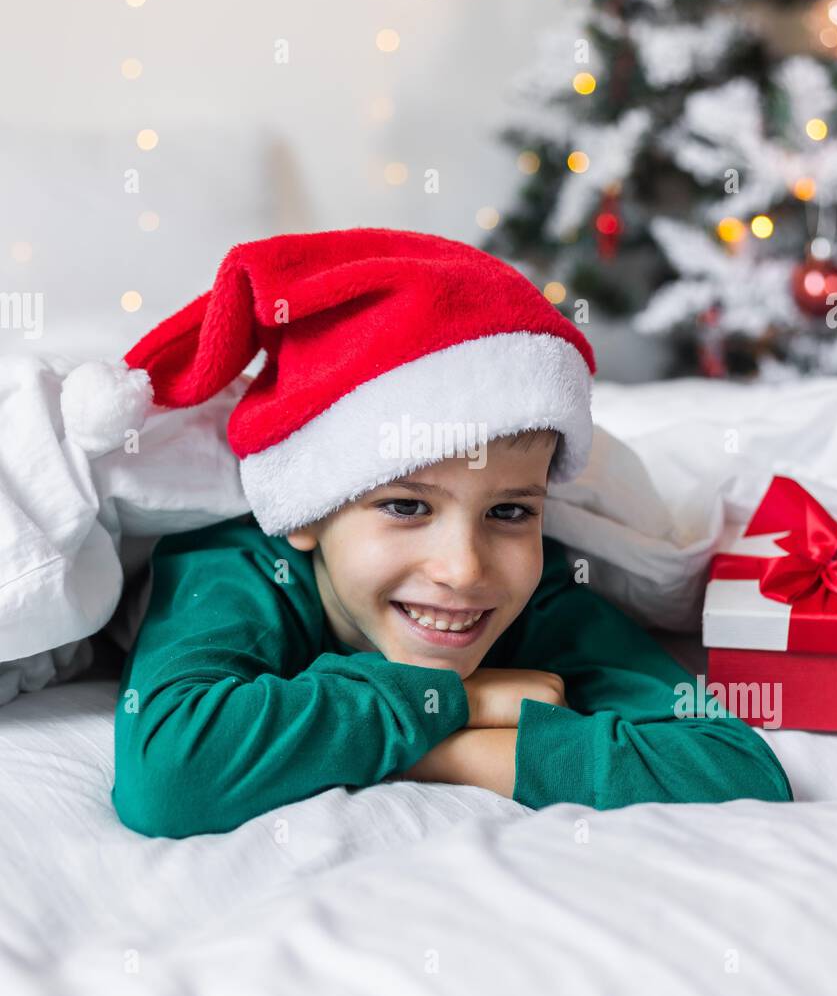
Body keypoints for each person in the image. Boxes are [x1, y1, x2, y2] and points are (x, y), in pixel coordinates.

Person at [82, 226, 791, 837]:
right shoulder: (231, 569)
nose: (464, 568)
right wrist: (461, 702)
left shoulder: (541, 591)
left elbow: (734, 767)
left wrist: (436, 752)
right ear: (304, 511)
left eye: (510, 512)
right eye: (406, 507)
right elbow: (168, 778)